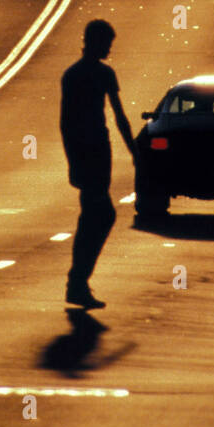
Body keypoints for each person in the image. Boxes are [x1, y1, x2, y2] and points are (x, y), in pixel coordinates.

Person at [60, 19, 135, 309]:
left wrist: (133, 152)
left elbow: (118, 116)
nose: (108, 49)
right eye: (106, 43)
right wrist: (74, 161)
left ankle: (79, 281)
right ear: (94, 41)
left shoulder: (90, 74)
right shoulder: (81, 75)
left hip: (98, 152)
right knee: (99, 215)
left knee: (95, 215)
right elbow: (68, 122)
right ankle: (77, 281)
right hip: (89, 152)